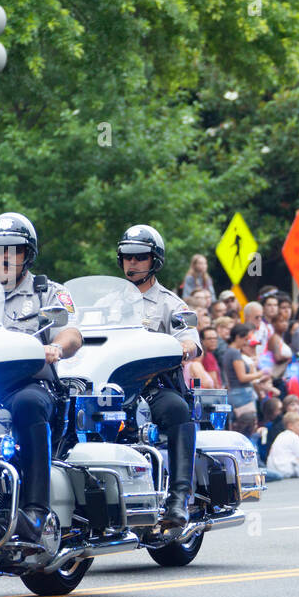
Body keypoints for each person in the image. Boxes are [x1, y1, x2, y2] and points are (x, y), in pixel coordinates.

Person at [0, 211, 83, 544]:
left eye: (14, 249)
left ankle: (35, 510)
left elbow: (72, 333)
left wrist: (56, 347)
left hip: (30, 381)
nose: (6, 256)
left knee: (28, 404)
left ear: (27, 254)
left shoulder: (47, 292)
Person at [116, 224, 204, 529]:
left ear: (154, 260)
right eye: (127, 256)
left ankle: (179, 496)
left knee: (179, 410)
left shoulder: (171, 303)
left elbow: (191, 340)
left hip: (152, 387)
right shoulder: (108, 303)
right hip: (111, 386)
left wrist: (183, 347)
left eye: (140, 256)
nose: (132, 262)